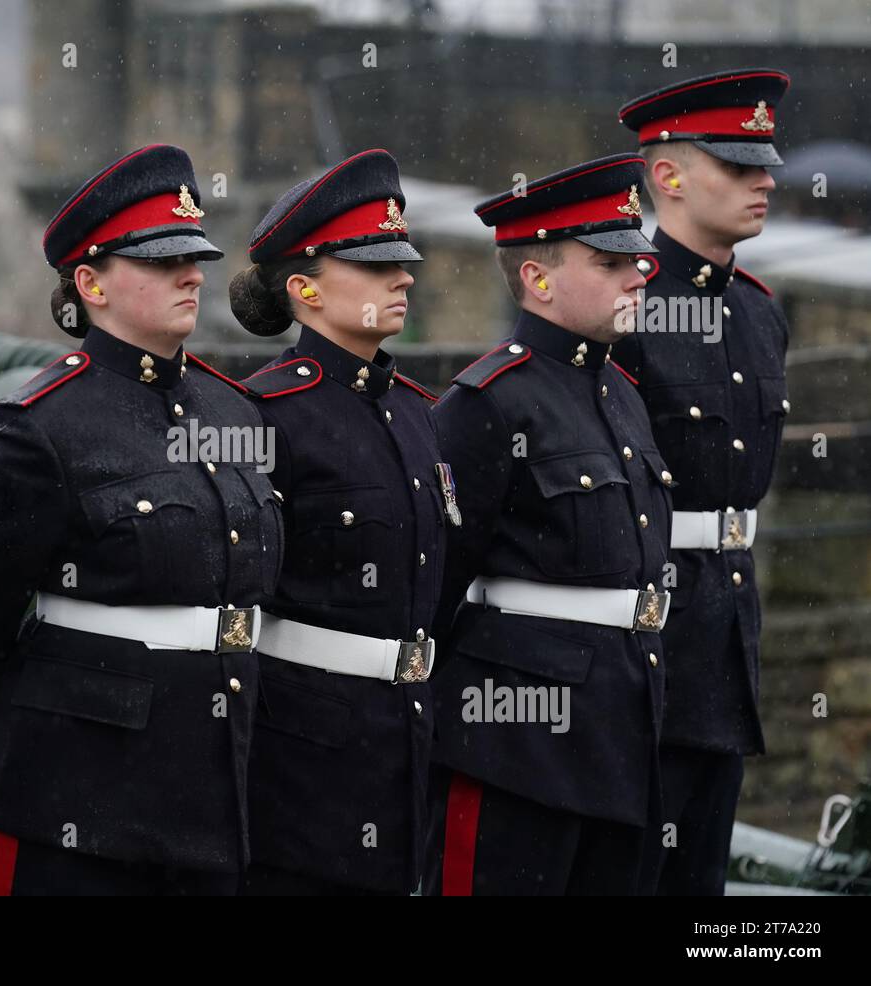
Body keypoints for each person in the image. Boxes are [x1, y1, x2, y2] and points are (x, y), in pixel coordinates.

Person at [0, 144, 283, 895]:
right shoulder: (42, 425)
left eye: (193, 257)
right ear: (92, 283)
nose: (193, 274)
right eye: (163, 262)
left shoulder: (235, 410)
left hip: (211, 796)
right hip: (68, 808)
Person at [426, 154, 673, 895]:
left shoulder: (622, 392)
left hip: (622, 733)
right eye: (611, 261)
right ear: (539, 279)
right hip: (514, 748)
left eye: (640, 258)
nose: (639, 275)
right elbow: (436, 586)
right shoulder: (486, 404)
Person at [231, 148, 447, 894]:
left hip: (407, 742)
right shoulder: (265, 416)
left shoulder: (419, 415)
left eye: (402, 261)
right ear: (305, 290)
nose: (404, 277)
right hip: (302, 761)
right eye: (376, 264)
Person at [616, 68, 793, 894]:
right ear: (668, 177)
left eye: (764, 163)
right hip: (641, 633)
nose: (763, 181)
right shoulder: (623, 305)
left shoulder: (758, 310)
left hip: (726, 629)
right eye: (737, 165)